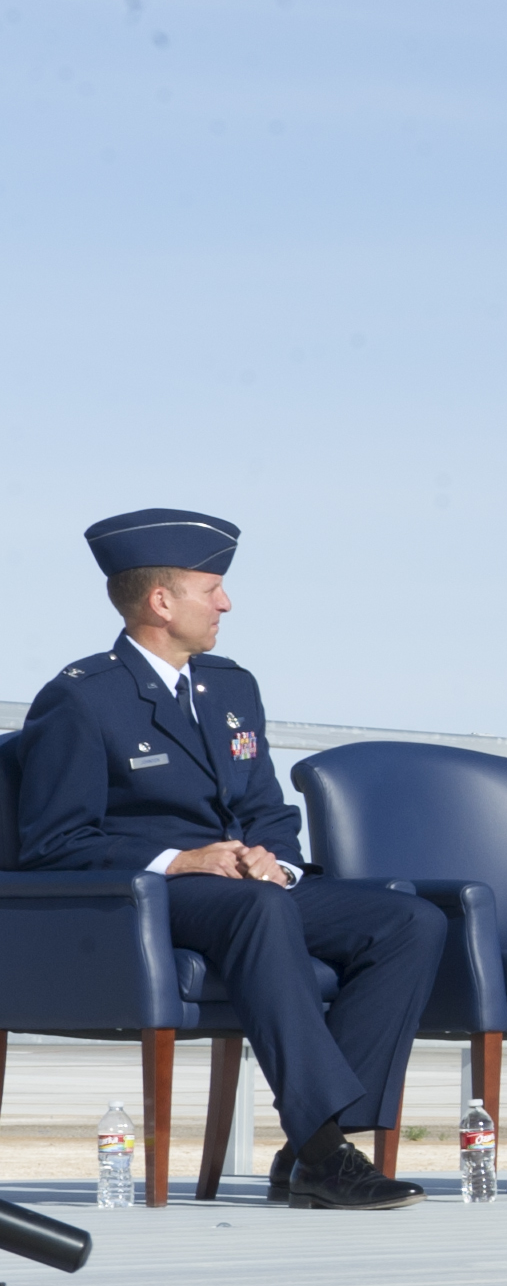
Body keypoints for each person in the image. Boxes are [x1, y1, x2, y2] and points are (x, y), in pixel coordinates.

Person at [17, 509, 446, 1211]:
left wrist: (279, 862)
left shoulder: (232, 686)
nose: (226, 603)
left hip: (247, 885)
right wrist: (181, 859)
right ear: (161, 602)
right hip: (151, 895)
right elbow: (54, 842)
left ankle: (316, 1144)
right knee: (260, 909)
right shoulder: (83, 698)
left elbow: (267, 807)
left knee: (410, 922)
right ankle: (323, 1153)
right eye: (211, 588)